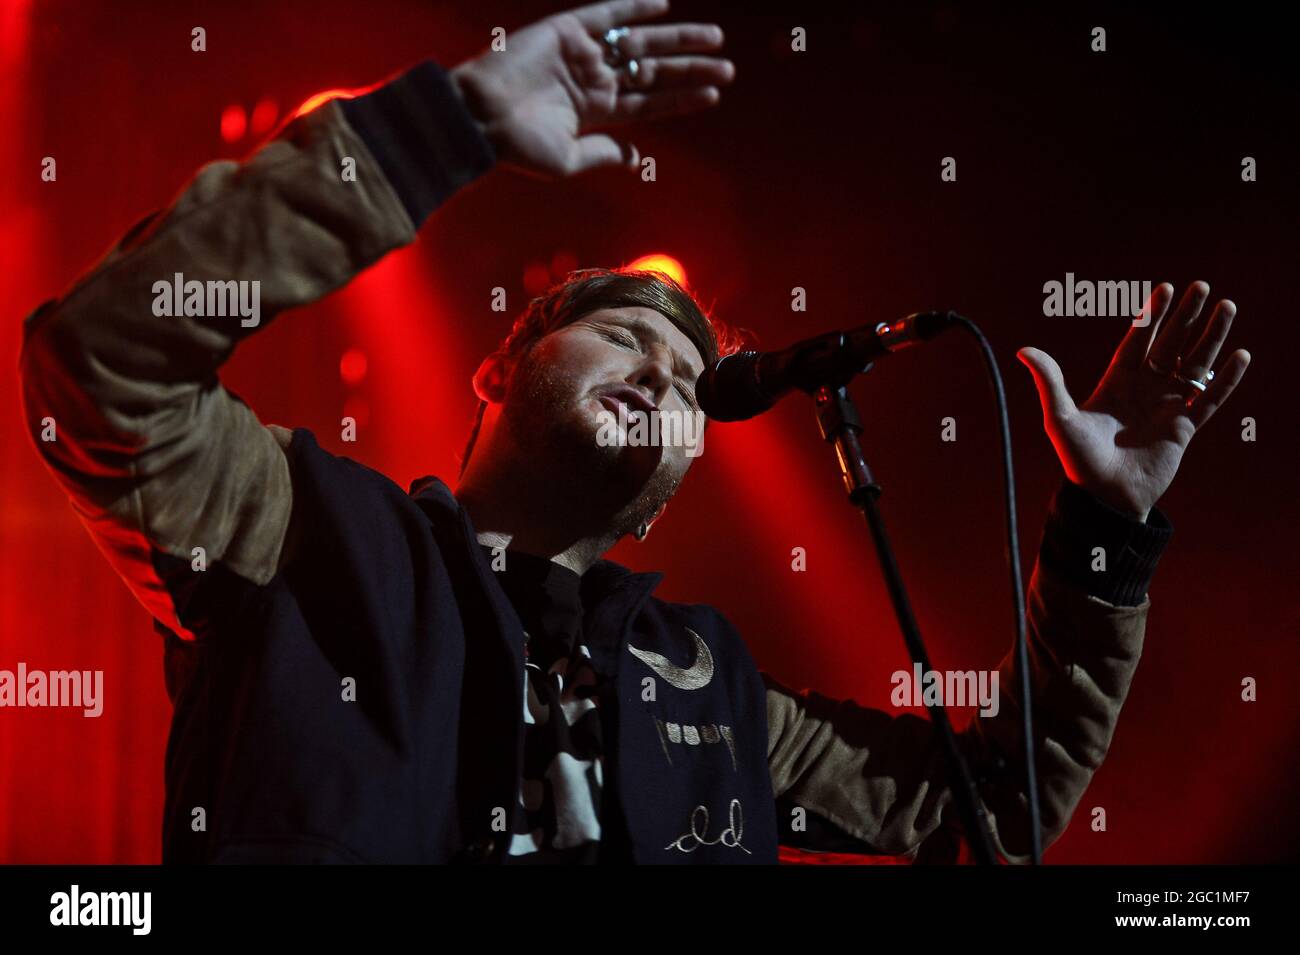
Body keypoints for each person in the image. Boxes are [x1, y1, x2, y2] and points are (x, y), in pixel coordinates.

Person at [18, 0, 1249, 864]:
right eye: (624, 336)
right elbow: (103, 364)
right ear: (497, 370)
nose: (665, 371)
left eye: (688, 375)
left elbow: (995, 811)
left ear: (667, 497)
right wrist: (439, 130)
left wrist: (1104, 529)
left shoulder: (713, 686)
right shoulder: (306, 530)